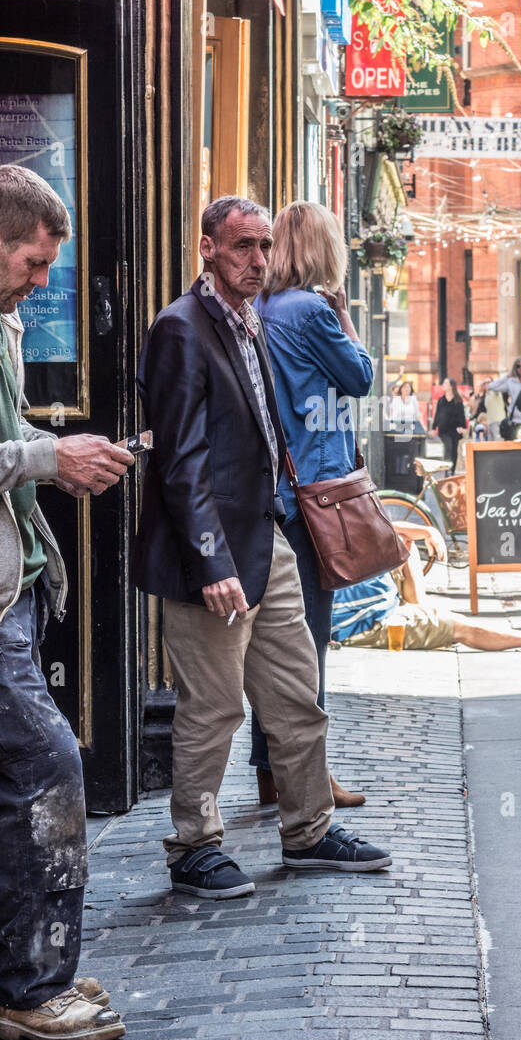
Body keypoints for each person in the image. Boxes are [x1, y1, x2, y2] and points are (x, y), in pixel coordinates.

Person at [132, 195, 391, 900]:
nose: (255, 259)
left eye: (263, 246)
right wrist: (211, 564)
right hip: (210, 552)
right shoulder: (181, 328)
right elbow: (180, 463)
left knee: (295, 693)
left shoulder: (250, 322)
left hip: (267, 536)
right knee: (213, 707)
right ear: (207, 249)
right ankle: (193, 845)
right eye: (240, 246)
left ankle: (307, 831)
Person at [0, 164, 133, 1040]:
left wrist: (62, 451)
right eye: (33, 263)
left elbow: (2, 433)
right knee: (49, 770)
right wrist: (47, 462)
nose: (41, 282)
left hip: (10, 584)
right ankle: (35, 988)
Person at [250, 201, 373, 809]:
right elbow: (360, 378)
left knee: (272, 636)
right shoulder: (314, 311)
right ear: (325, 252)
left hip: (269, 490)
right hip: (313, 494)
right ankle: (310, 777)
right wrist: (346, 319)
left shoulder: (257, 309)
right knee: (310, 637)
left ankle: (270, 770)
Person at [332, 521, 521, 652]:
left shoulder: (343, 510)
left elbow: (378, 522)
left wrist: (427, 531)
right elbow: (376, 523)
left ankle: (423, 610)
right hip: (370, 622)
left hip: (374, 595)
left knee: (403, 542)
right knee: (461, 627)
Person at [489, 358, 521, 435]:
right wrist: (506, 377)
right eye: (518, 366)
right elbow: (491, 386)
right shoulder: (511, 382)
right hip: (515, 420)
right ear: (515, 369)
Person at [432, 377, 467, 466]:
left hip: (455, 429)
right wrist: (433, 427)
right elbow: (437, 414)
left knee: (454, 450)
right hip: (443, 429)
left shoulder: (458, 400)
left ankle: (451, 470)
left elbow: (461, 414)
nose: (443, 385)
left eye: (445, 383)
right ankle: (447, 468)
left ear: (451, 386)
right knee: (448, 448)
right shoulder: (441, 400)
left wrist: (462, 427)